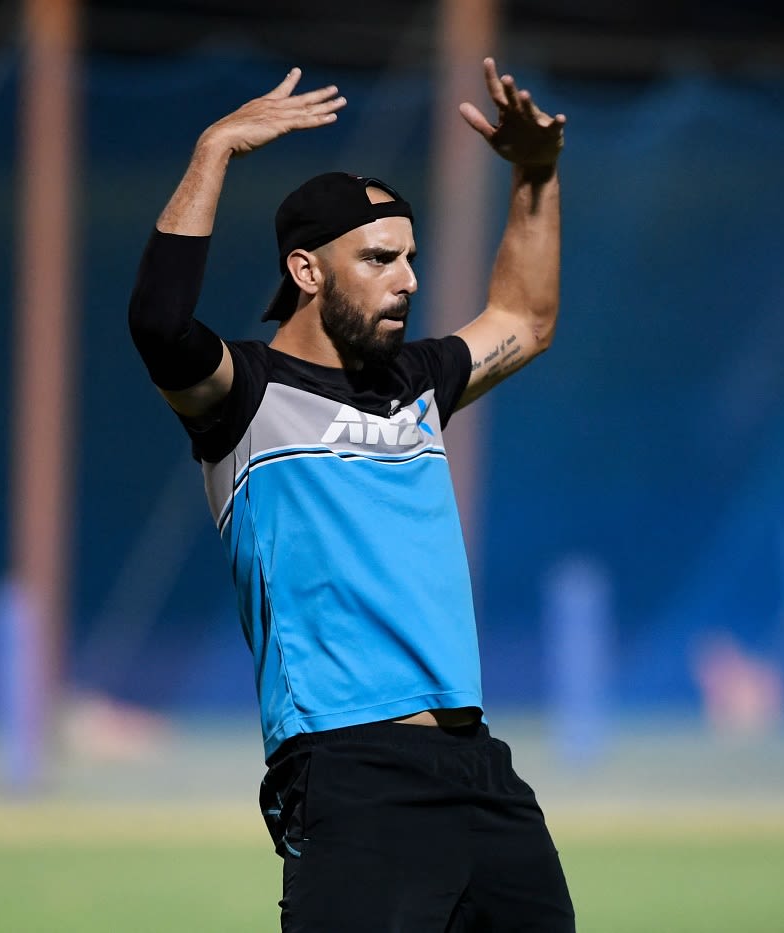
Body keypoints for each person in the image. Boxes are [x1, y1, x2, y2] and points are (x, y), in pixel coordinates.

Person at [127, 57, 573, 931]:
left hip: (479, 768)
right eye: (379, 258)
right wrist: (214, 149)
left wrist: (536, 174)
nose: (407, 278)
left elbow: (525, 320)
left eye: (411, 257)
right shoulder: (243, 396)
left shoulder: (415, 383)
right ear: (307, 269)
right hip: (348, 769)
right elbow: (159, 325)